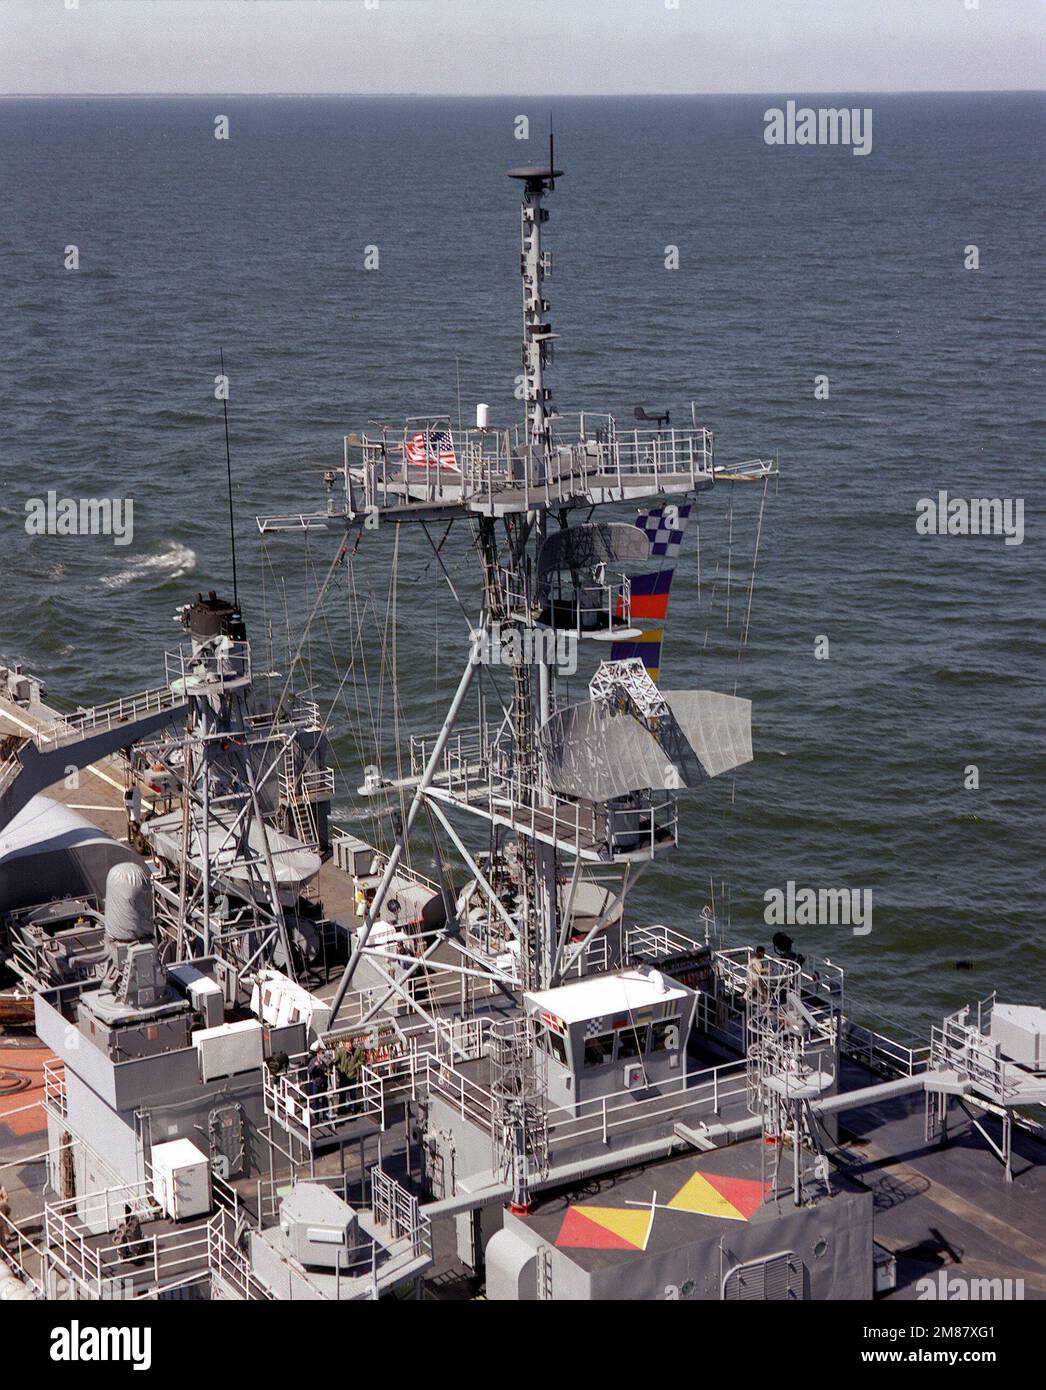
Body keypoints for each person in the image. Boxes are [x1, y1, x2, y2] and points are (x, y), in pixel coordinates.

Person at [334, 1040, 368, 1116]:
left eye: (350, 1044)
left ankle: (353, 1108)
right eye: (347, 1044)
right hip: (343, 1076)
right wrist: (339, 1069)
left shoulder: (357, 1051)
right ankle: (341, 1109)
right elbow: (336, 1062)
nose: (349, 1046)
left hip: (352, 1075)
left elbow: (362, 1060)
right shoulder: (341, 1051)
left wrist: (355, 1067)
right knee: (342, 1094)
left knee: (353, 1093)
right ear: (344, 1045)